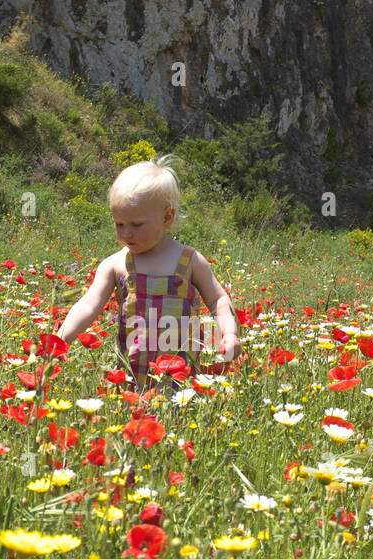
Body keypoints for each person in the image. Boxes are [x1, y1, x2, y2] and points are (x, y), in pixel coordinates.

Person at [55, 155, 241, 389]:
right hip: (132, 379)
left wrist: (229, 333)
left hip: (181, 381)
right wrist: (60, 340)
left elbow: (218, 299)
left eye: (136, 224)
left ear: (167, 217)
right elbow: (88, 305)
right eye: (119, 224)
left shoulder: (189, 261)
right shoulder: (116, 264)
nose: (126, 233)